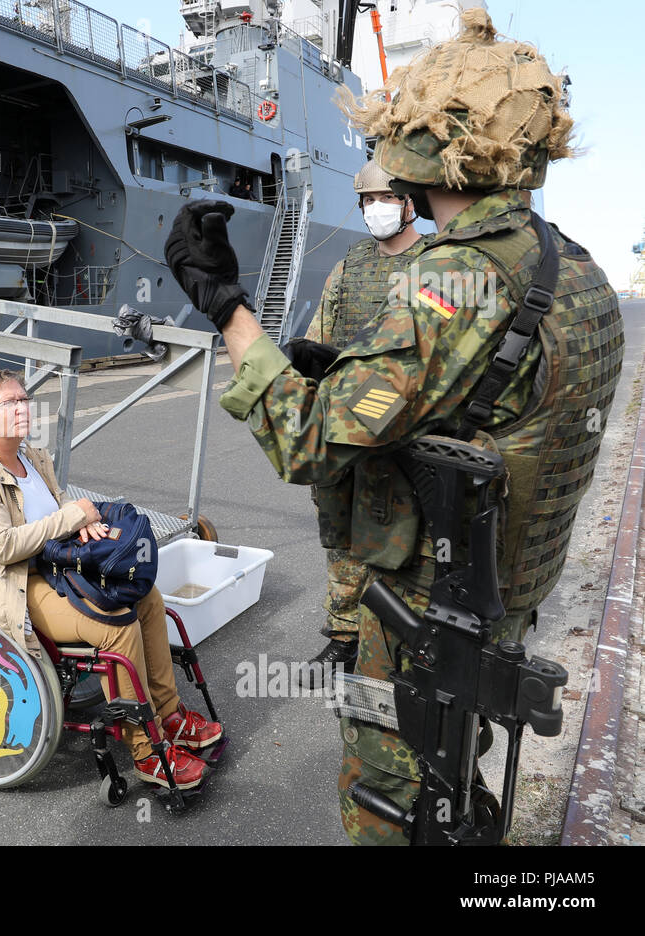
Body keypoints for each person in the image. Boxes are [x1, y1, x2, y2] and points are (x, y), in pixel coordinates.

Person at [164, 10, 623, 843]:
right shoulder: (573, 265)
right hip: (503, 596)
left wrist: (226, 306)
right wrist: (335, 365)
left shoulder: (456, 277)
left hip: (427, 608)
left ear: (423, 148)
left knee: (389, 801)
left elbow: (303, 441)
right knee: (448, 775)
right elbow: (490, 404)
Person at [0, 369, 222, 789]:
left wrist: (83, 524)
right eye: (9, 404)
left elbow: (57, 506)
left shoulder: (31, 457)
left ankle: (171, 714)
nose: (22, 409)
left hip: (56, 564)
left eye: (23, 400)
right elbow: (1, 546)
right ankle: (146, 750)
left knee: (147, 598)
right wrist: (71, 517)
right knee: (115, 624)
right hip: (13, 579)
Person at [296, 160, 426, 685]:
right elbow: (320, 333)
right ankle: (345, 636)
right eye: (368, 201)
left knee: (404, 535)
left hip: (405, 427)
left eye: (386, 199)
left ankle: (401, 639)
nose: (376, 209)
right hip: (348, 421)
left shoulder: (436, 265)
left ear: (410, 202)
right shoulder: (350, 266)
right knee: (341, 533)